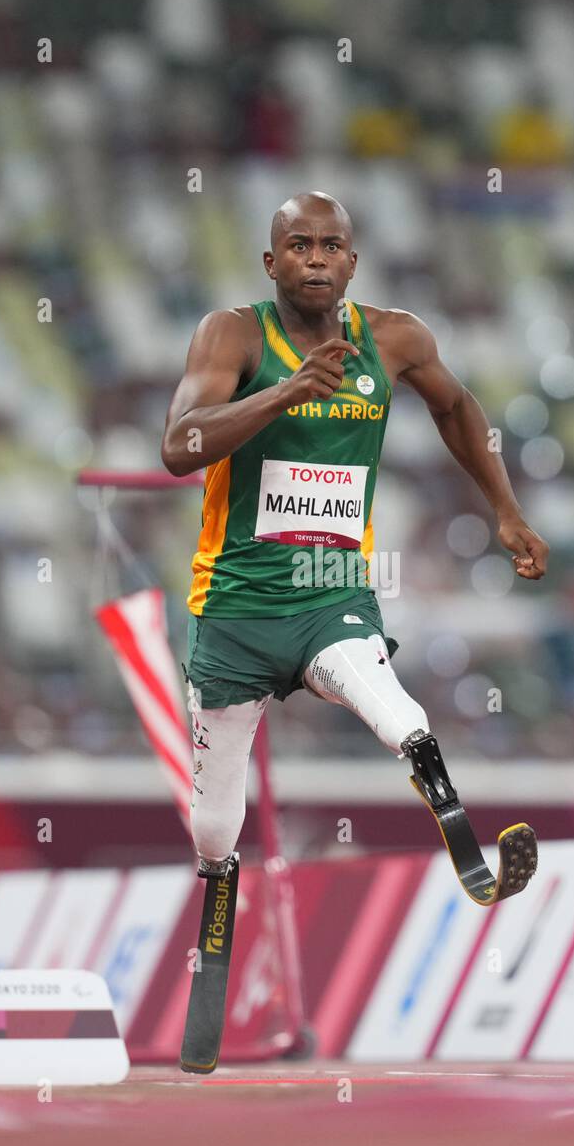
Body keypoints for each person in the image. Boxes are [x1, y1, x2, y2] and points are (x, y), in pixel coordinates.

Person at [161, 192, 548, 878]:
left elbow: (456, 407)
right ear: (270, 260)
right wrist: (283, 393)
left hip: (327, 592)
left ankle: (455, 824)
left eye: (330, 247)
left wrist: (506, 509)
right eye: (301, 246)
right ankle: (217, 887)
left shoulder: (396, 338)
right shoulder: (231, 335)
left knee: (386, 698)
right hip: (234, 606)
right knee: (216, 815)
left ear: (353, 261)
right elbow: (179, 445)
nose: (316, 259)